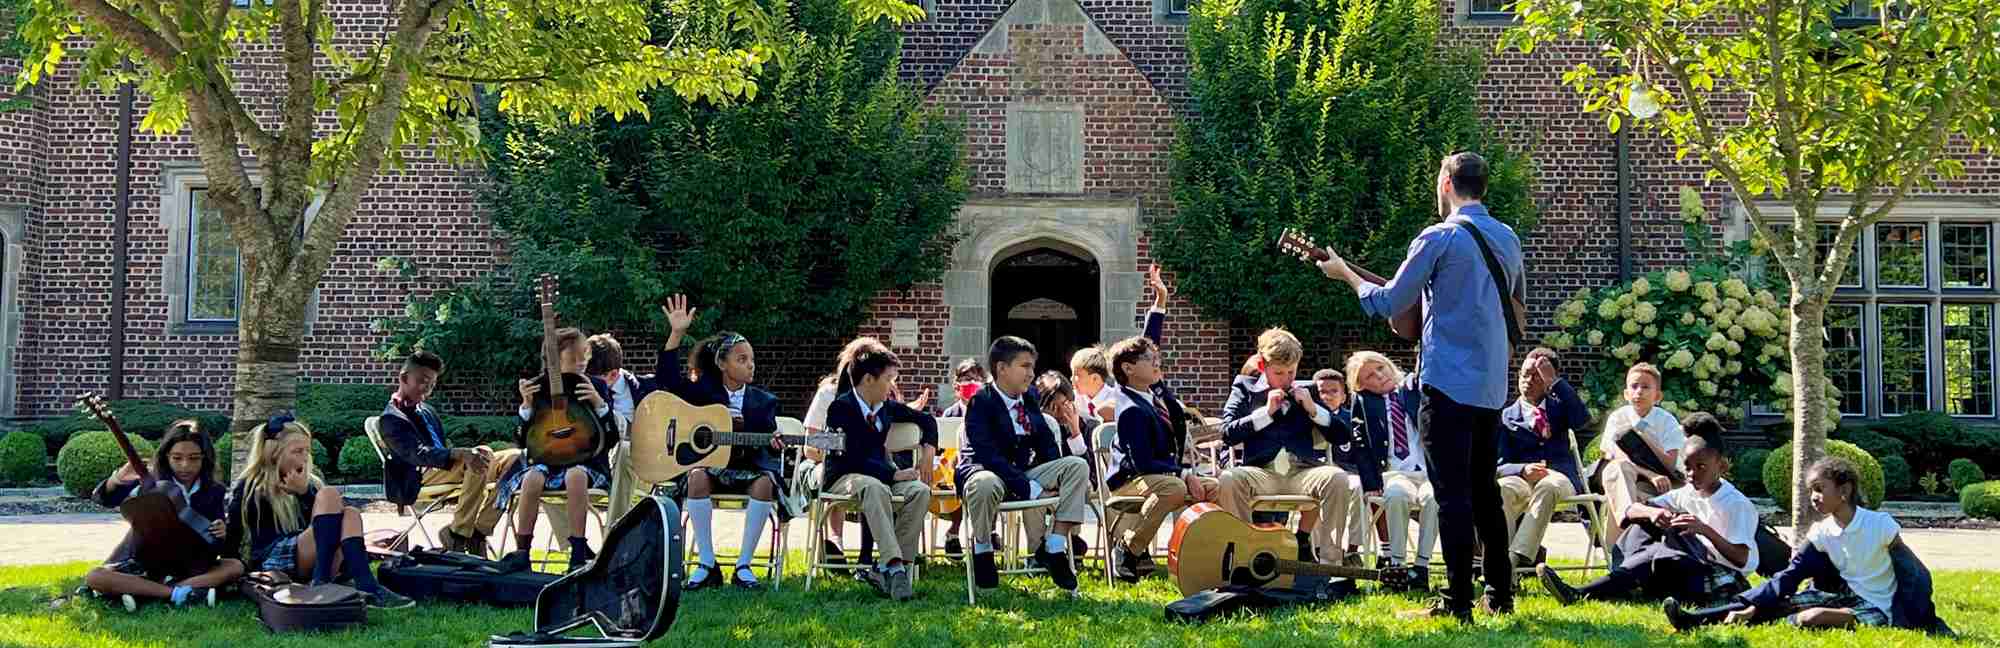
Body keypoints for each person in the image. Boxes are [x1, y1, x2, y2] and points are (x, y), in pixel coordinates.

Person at [1318, 151, 1526, 621]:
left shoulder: (1439, 237)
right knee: (1485, 492)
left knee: (1451, 494)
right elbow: (1514, 307)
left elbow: (1389, 301)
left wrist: (1346, 274)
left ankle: (1456, 603)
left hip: (1447, 385)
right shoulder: (1508, 238)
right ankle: (1499, 595)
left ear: (1448, 182)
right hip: (1492, 386)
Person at [1664, 457, 1949, 633]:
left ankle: (1778, 618)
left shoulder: (1880, 525)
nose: (1812, 497)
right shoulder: (1820, 532)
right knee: (1772, 601)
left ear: (1844, 490)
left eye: (1819, 489)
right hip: (1844, 598)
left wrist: (1919, 618)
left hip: (1880, 608)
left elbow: (1916, 575)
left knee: (1810, 618)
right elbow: (1789, 577)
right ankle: (1695, 620)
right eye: (1810, 490)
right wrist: (1754, 605)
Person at [1539, 429, 1757, 607]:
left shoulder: (1735, 503)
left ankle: (1585, 592)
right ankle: (1621, 580)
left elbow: (1742, 558)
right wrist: (1653, 513)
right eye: (1688, 468)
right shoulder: (1687, 493)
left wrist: (1703, 529)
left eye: (1701, 467)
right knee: (1647, 522)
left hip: (1717, 577)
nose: (1692, 475)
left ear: (1721, 466)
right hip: (1681, 568)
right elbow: (1631, 511)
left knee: (1674, 537)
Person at [655, 295, 786, 590]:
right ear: (722, 364)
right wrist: (676, 333)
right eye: (742, 359)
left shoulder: (765, 401)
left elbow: (767, 441)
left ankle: (743, 566)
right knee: (697, 476)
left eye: (752, 359)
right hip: (710, 468)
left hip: (745, 467)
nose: (750, 365)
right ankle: (707, 564)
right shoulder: (703, 391)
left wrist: (773, 443)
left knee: (764, 483)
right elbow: (666, 383)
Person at [224, 416, 414, 609]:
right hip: (275, 563)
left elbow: (326, 527)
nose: (305, 457)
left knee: (350, 513)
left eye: (307, 450)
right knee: (330, 495)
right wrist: (232, 572)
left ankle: (364, 585)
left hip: (315, 558)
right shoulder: (252, 486)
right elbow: (234, 534)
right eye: (297, 451)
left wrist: (304, 493)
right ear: (274, 454)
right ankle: (327, 582)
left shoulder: (311, 483)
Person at [957, 336, 1092, 594]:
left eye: (1033, 366)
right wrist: (1032, 489)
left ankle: (1053, 546)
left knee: (1076, 466)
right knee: (985, 482)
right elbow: (989, 457)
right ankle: (983, 548)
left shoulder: (1029, 397)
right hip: (984, 472)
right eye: (1025, 366)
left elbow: (1044, 441)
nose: (1032, 374)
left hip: (1021, 472)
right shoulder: (980, 402)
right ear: (1001, 368)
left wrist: (1056, 474)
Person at [1216, 328, 1354, 567]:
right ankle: (1243, 559)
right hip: (1262, 472)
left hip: (1302, 472)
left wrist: (1314, 409)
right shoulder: (1244, 387)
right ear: (1262, 365)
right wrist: (1265, 413)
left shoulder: (1308, 390)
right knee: (1229, 478)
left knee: (1338, 478)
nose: (1287, 378)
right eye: (1279, 373)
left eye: (1292, 371)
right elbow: (1227, 433)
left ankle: (1331, 564)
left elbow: (1342, 435)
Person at [497, 326, 621, 573]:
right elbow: (522, 441)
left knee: (575, 475)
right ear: (554, 359)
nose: (581, 362)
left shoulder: (595, 385)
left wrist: (598, 402)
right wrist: (526, 406)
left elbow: (611, 438)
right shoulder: (537, 387)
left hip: (586, 461)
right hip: (550, 460)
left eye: (583, 355)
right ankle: (523, 551)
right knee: (532, 476)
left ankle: (577, 552)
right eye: (573, 356)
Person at [83, 421, 244, 610]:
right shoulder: (151, 482)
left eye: (194, 458)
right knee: (95, 576)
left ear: (204, 458)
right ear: (166, 456)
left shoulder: (214, 490)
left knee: (235, 566)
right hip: (148, 565)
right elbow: (103, 499)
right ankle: (178, 593)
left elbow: (215, 545)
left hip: (193, 566)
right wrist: (117, 479)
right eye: (177, 458)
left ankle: (148, 592)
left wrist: (221, 532)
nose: (185, 466)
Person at [821, 347, 936, 600]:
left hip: (882, 476)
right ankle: (894, 568)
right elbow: (851, 455)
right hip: (845, 476)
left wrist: (928, 452)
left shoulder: (886, 407)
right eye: (889, 379)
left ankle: (889, 570)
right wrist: (893, 475)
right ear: (868, 380)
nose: (892, 386)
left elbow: (927, 420)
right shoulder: (840, 408)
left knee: (919, 491)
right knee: (874, 487)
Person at [378, 351, 516, 555]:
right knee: (481, 454)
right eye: (422, 381)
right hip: (419, 475)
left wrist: (459, 455)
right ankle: (458, 534)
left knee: (516, 459)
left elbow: (441, 448)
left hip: (444, 466)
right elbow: (416, 455)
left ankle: (478, 530)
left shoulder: (427, 411)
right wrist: (458, 454)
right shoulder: (391, 418)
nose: (428, 388)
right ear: (404, 378)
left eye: (432, 384)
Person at [1103, 335, 1215, 581]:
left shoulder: (1153, 399)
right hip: (1130, 480)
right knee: (1173, 487)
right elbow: (1142, 463)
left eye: (1156, 358)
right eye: (1148, 359)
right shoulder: (1130, 407)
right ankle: (1128, 548)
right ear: (1128, 368)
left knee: (1217, 487)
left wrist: (1187, 473)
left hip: (1159, 475)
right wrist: (1184, 474)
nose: (1156, 363)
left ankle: (1210, 556)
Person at [801, 337, 892, 566]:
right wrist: (840, 451)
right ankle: (835, 541)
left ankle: (874, 555)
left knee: (872, 474)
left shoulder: (883, 394)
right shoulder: (829, 395)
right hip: (825, 462)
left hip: (870, 466)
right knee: (847, 472)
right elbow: (811, 443)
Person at [1494, 349, 1586, 570]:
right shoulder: (1505, 417)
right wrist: (1523, 469)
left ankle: (1512, 561)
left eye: (1536, 376)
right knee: (1503, 489)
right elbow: (1498, 465)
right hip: (1522, 479)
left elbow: (1582, 419)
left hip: (1559, 477)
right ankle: (1503, 561)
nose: (1528, 380)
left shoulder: (1560, 409)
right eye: (1525, 374)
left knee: (1548, 486)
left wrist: (1555, 382)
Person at [1346, 351, 1431, 576]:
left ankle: (1422, 565)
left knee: (1434, 498)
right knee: (1395, 495)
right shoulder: (1364, 403)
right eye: (1370, 376)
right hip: (1395, 473)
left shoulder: (1413, 389)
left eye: (1380, 368)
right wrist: (1370, 482)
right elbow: (1361, 446)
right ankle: (1397, 563)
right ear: (1362, 386)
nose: (1380, 376)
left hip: (1427, 470)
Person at [1597, 363, 1686, 548]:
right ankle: (1630, 512)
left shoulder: (1666, 421)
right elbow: (1612, 454)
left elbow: (1670, 465)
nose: (1639, 392)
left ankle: (1618, 560)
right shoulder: (1618, 417)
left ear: (1658, 396)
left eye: (1646, 387)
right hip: (1623, 476)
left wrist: (1643, 435)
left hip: (1658, 486)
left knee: (1624, 496)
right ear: (1626, 394)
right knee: (1618, 469)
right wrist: (1649, 474)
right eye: (1634, 386)